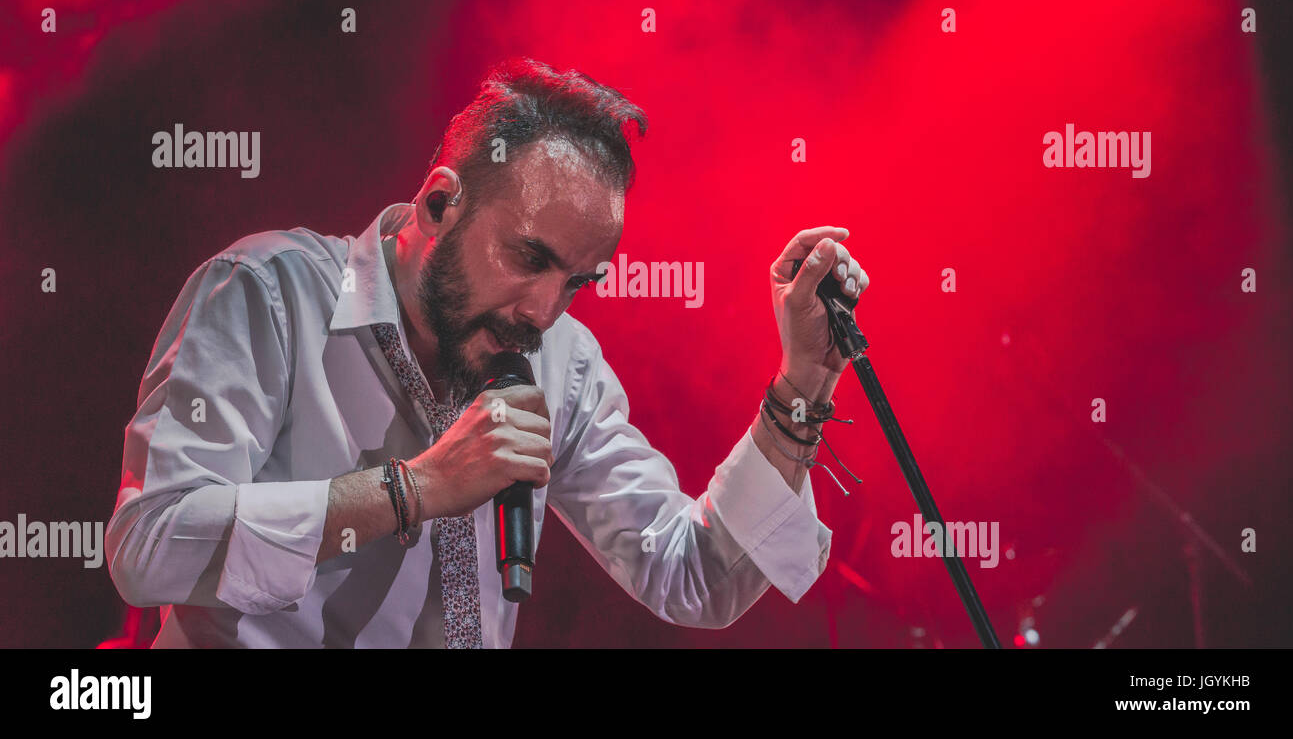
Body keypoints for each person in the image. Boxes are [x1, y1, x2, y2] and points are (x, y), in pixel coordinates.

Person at [106, 57, 869, 648]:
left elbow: (692, 576)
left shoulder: (561, 363)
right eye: (527, 257)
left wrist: (800, 386)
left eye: (576, 281)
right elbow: (147, 545)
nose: (542, 310)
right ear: (441, 202)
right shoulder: (270, 294)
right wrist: (413, 489)